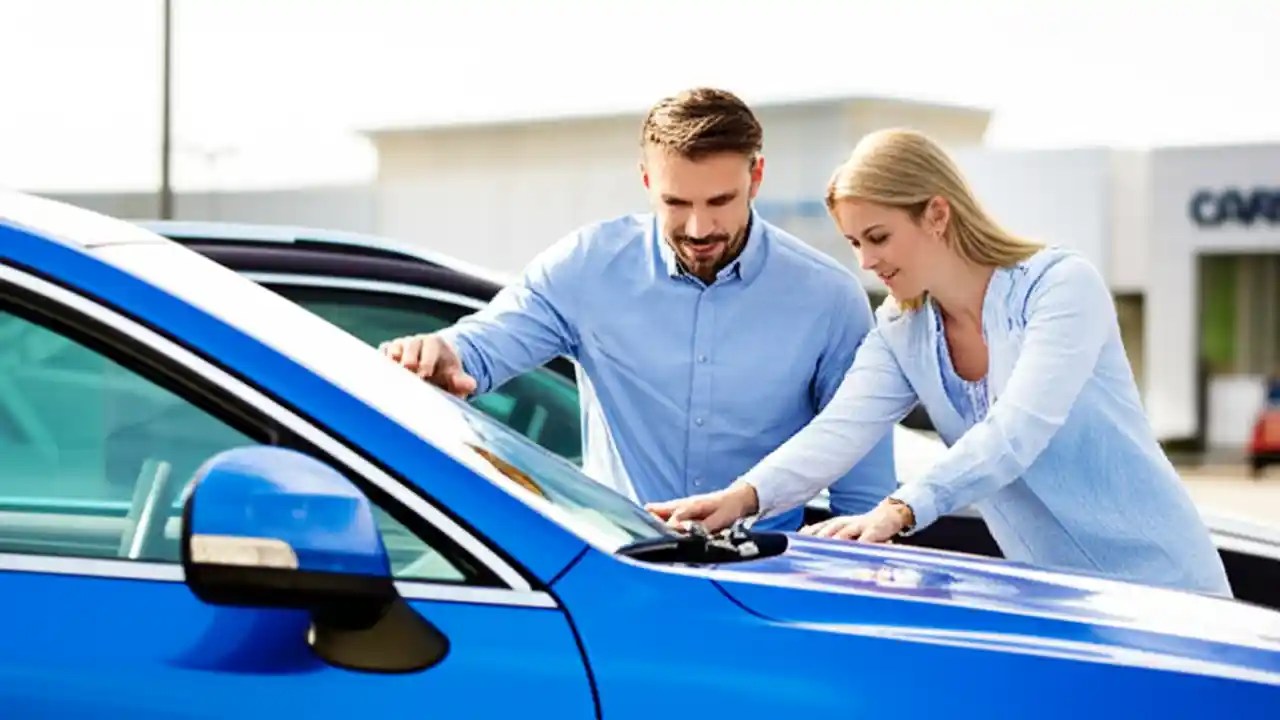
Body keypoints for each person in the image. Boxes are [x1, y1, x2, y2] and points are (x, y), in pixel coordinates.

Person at [646, 128, 1232, 596]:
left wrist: (902, 508)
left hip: (1170, 595)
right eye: (855, 244)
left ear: (937, 214)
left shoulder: (1059, 287)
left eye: (879, 237)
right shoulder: (903, 328)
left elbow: (1016, 432)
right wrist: (743, 497)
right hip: (1060, 600)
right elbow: (838, 430)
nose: (868, 262)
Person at [379, 87, 896, 531]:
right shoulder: (585, 267)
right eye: (676, 203)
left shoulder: (828, 299)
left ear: (755, 178)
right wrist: (440, 352)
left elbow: (861, 495)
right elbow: (484, 343)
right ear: (647, 182)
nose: (698, 229)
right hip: (616, 573)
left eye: (719, 201)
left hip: (766, 583)